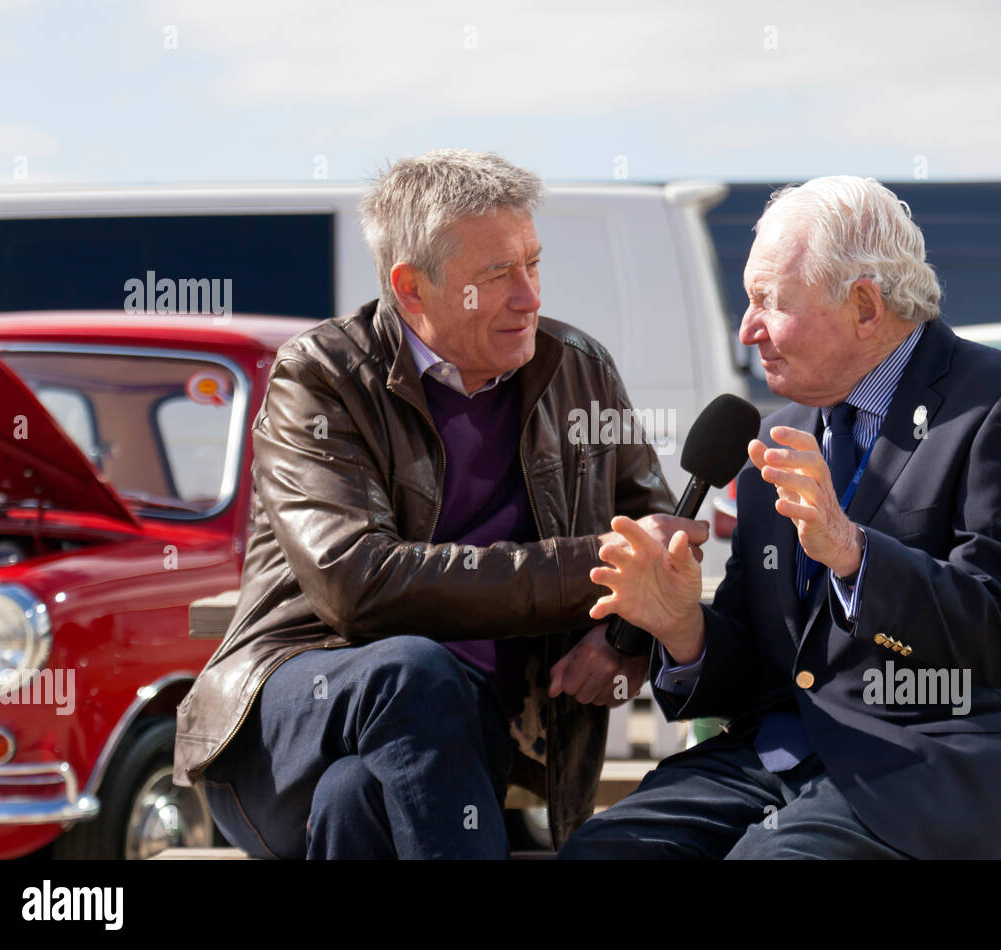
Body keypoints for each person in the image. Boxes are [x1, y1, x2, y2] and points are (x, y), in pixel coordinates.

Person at [171, 149, 706, 859]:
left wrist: (622, 639)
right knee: (411, 673)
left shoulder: (578, 370)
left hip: (460, 738)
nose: (530, 296)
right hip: (294, 720)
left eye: (533, 264)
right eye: (497, 275)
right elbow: (358, 585)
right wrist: (590, 567)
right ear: (412, 287)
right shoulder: (321, 377)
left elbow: (649, 537)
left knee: (357, 801)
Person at [559, 175, 1001, 859]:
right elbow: (765, 667)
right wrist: (683, 628)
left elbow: (999, 631)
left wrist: (852, 552)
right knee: (601, 853)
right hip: (780, 759)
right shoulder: (774, 434)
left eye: (768, 302)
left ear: (864, 306)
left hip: (938, 768)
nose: (746, 329)